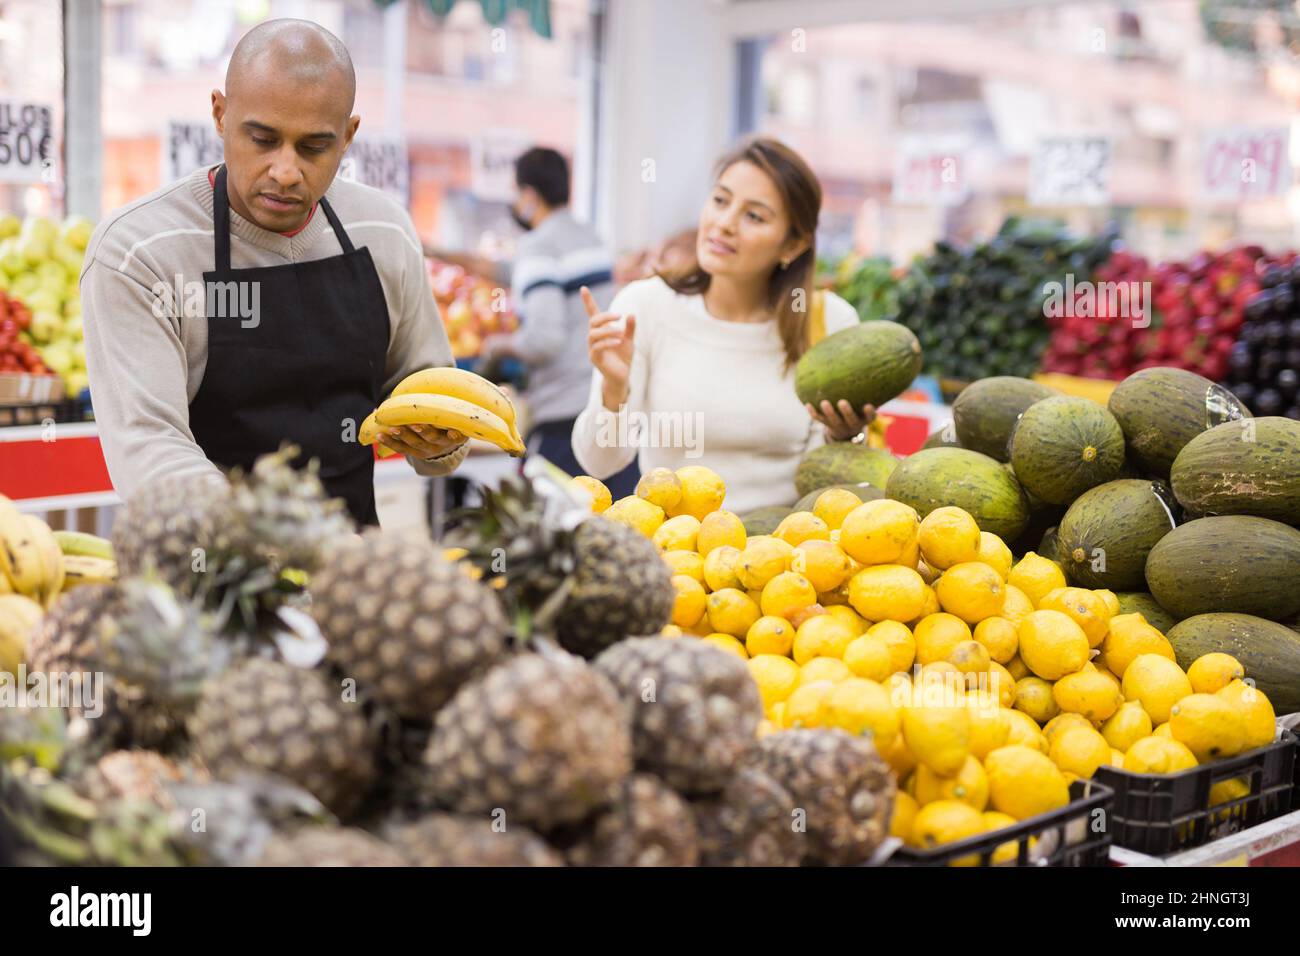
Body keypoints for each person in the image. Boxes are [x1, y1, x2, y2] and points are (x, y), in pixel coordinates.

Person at [81, 19, 466, 526]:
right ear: (220, 114)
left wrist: (439, 441)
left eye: (313, 148)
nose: (285, 172)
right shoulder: (141, 252)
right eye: (262, 139)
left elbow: (428, 392)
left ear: (348, 136)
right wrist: (287, 547)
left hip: (352, 579)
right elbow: (151, 449)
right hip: (208, 575)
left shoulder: (384, 230)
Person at [571, 137, 876, 515]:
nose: (724, 223)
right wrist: (614, 392)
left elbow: (830, 489)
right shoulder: (644, 306)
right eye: (720, 200)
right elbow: (599, 464)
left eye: (754, 216)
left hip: (786, 558)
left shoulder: (830, 321)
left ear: (793, 245)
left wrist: (845, 435)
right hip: (674, 554)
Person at [479, 147, 638, 497]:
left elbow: (543, 339)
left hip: (560, 419)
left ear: (529, 195)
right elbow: (518, 273)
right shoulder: (591, 237)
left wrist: (496, 346)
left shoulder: (537, 246)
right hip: (601, 409)